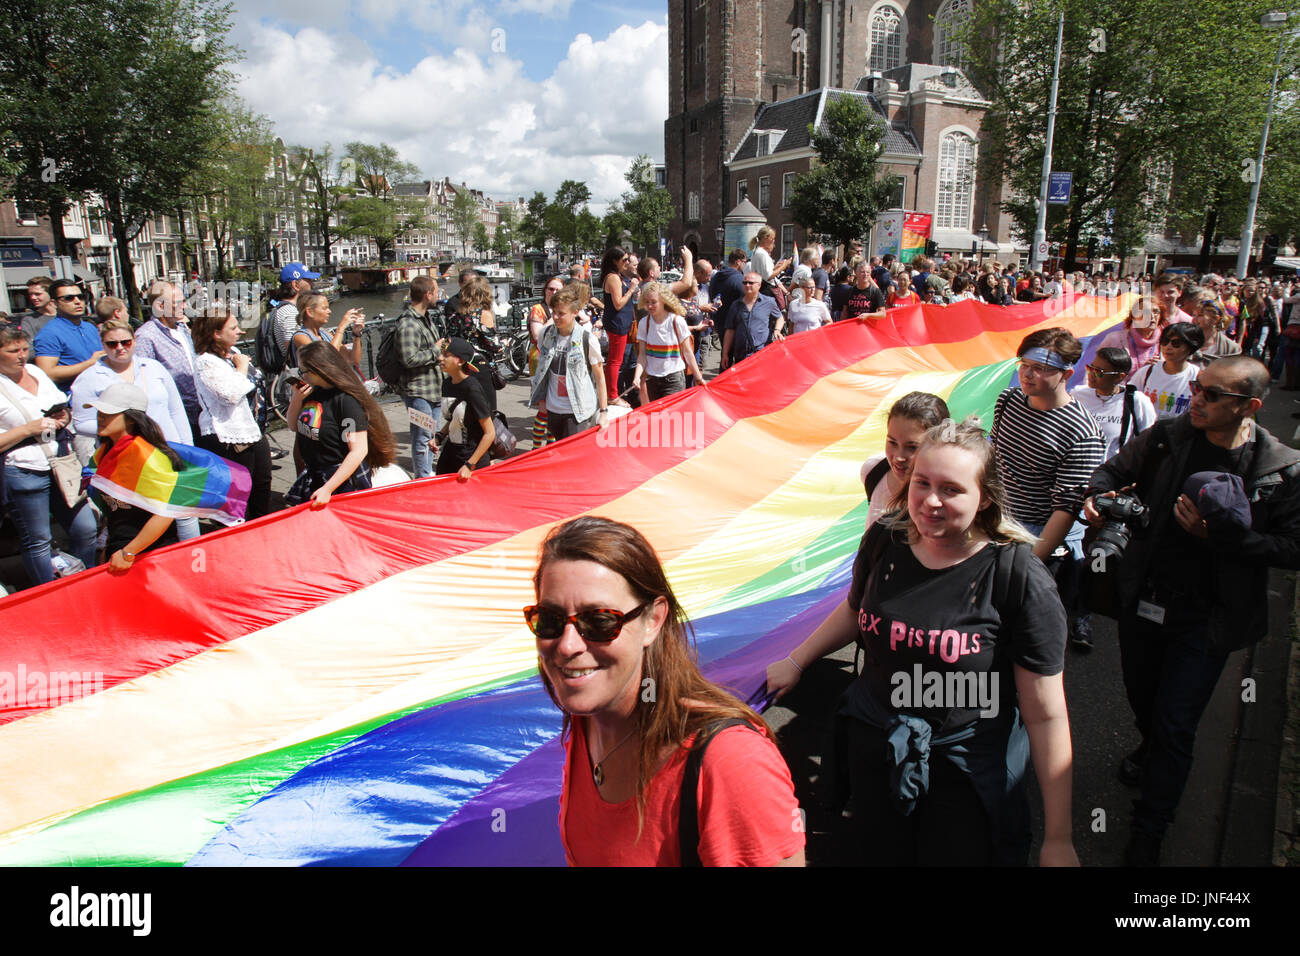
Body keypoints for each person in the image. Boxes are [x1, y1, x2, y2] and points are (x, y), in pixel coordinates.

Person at [767, 417, 1077, 866]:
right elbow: (856, 610)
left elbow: (1046, 715)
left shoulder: (1019, 578)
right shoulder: (885, 540)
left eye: (951, 489)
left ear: (984, 496)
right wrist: (797, 660)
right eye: (922, 483)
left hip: (964, 769)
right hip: (876, 753)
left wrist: (1060, 839)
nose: (931, 501)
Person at [1084, 355, 1300, 866]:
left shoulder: (1280, 469)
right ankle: (1149, 744)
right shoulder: (1169, 436)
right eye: (1198, 388)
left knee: (1178, 722)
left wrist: (1224, 537)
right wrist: (1098, 497)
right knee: (1144, 696)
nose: (1196, 399)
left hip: (1210, 619)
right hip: (1146, 602)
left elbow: (1291, 549)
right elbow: (1112, 471)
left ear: (1249, 406)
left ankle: (1150, 829)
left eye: (1212, 395)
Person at [531, 515, 805, 866]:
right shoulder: (588, 718)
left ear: (653, 621)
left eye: (599, 621)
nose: (568, 645)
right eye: (550, 620)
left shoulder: (731, 763)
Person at [991, 328, 1105, 567]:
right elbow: (993, 459)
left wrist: (1030, 565)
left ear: (1067, 374)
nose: (1027, 374)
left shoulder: (1083, 433)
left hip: (1037, 536)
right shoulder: (1008, 400)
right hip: (995, 521)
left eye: (1041, 368)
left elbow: (1065, 510)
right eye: (1024, 364)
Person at [0, 325, 97, 586]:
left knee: (86, 527)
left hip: (59, 461)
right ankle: (49, 592)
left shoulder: (34, 371)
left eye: (24, 349)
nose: (22, 355)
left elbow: (60, 405)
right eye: (12, 351)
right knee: (38, 539)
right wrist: (26, 430)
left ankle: (82, 580)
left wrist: (63, 417)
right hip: (22, 469)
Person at [285, 341, 396, 508]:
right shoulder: (311, 393)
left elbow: (358, 450)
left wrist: (328, 489)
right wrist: (296, 399)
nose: (302, 375)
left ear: (319, 369)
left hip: (340, 480)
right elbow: (293, 426)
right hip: (315, 474)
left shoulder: (346, 401)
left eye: (303, 371)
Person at [191, 307, 274, 520]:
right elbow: (229, 395)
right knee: (239, 494)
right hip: (228, 435)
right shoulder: (205, 362)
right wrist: (243, 367)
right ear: (216, 333)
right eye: (233, 327)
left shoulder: (233, 354)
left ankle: (262, 528)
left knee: (262, 484)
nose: (240, 332)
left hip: (251, 428)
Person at [859, 391, 950, 531]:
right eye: (892, 442)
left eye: (912, 447)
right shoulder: (873, 472)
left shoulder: (944, 497)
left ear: (939, 444)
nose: (899, 457)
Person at [531, 287, 608, 440]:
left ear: (575, 312)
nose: (556, 317)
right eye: (554, 312)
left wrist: (603, 412)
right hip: (553, 408)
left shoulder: (587, 339)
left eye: (561, 313)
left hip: (577, 411)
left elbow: (600, 378)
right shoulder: (546, 335)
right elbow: (542, 369)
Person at [394, 275, 447, 479]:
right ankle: (422, 476)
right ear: (428, 294)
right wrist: (435, 350)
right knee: (422, 436)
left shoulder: (426, 318)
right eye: (436, 291)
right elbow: (408, 359)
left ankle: (426, 472)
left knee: (430, 435)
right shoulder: (409, 324)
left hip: (432, 388)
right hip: (417, 391)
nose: (438, 295)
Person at [133, 282, 201, 433]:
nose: (184, 306)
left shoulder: (181, 329)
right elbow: (143, 381)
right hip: (175, 417)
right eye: (179, 302)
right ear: (160, 306)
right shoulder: (145, 336)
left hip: (198, 411)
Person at [433, 337, 495, 480]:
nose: (440, 358)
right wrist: (439, 436)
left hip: (472, 457)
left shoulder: (472, 389)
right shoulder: (447, 384)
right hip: (450, 453)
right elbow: (456, 418)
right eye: (441, 353)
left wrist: (469, 465)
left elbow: (489, 433)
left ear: (460, 361)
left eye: (446, 355)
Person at [632, 283, 701, 403]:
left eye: (654, 302)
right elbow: (642, 355)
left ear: (664, 301)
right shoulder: (644, 323)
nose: (649, 305)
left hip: (674, 378)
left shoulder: (676, 321)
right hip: (652, 378)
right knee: (658, 417)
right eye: (647, 302)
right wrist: (637, 376)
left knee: (672, 417)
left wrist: (697, 376)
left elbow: (688, 352)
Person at [31, 280, 103, 386]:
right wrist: (90, 363)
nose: (77, 301)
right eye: (69, 298)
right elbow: (48, 373)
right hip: (74, 396)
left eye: (81, 297)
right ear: (54, 303)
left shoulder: (90, 327)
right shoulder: (49, 333)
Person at [1133, 322, 1203, 419]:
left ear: (1190, 348)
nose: (1168, 347)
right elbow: (1129, 399)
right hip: (1147, 432)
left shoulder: (1198, 377)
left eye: (1176, 343)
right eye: (1165, 341)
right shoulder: (1146, 372)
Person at [527, 278, 565, 448]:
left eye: (558, 290)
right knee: (543, 408)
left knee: (554, 408)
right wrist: (555, 317)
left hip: (558, 360)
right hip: (540, 360)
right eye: (551, 289)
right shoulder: (538, 309)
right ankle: (536, 448)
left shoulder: (566, 309)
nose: (554, 293)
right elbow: (536, 336)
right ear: (545, 290)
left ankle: (550, 447)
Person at [600, 247, 639, 407]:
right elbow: (618, 304)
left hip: (621, 323)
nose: (627, 263)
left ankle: (612, 393)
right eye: (624, 260)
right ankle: (612, 395)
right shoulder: (613, 278)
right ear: (615, 261)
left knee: (616, 360)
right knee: (615, 361)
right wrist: (631, 289)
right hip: (617, 323)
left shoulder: (617, 276)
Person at [721, 272, 783, 370]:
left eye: (750, 283)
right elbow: (730, 330)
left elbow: (780, 317)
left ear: (759, 285)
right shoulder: (735, 305)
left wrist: (777, 330)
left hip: (761, 354)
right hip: (741, 356)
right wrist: (725, 354)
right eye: (744, 283)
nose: (747, 285)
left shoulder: (769, 302)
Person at [1096, 295, 1165, 381]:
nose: (1151, 316)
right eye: (1145, 312)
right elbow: (1096, 371)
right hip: (1120, 393)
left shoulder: (1165, 342)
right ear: (1134, 316)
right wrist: (1142, 371)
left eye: (1156, 311)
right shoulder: (1115, 339)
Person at [287, 294, 364, 370]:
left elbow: (352, 360)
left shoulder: (325, 334)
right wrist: (341, 327)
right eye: (324, 308)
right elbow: (326, 360)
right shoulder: (300, 337)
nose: (329, 311)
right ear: (310, 312)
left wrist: (356, 334)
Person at [748, 226, 792, 305]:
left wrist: (776, 267)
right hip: (767, 291)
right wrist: (783, 266)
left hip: (762, 289)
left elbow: (762, 272)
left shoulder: (757, 252)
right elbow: (768, 276)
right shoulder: (762, 254)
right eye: (772, 239)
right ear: (765, 238)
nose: (774, 241)